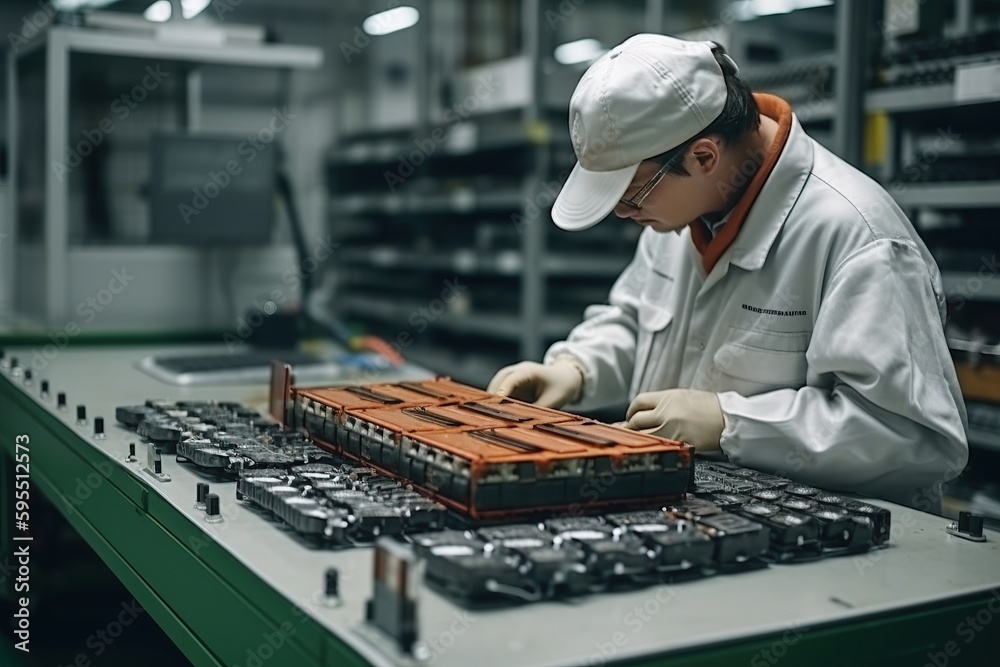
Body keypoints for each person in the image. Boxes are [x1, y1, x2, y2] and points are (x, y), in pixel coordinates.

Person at [487, 34, 968, 510]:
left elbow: (914, 439)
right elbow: (637, 323)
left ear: (703, 156)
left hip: (839, 562)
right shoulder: (680, 212)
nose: (622, 214)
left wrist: (731, 423)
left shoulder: (859, 238)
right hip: (697, 518)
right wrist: (574, 370)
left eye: (630, 197)